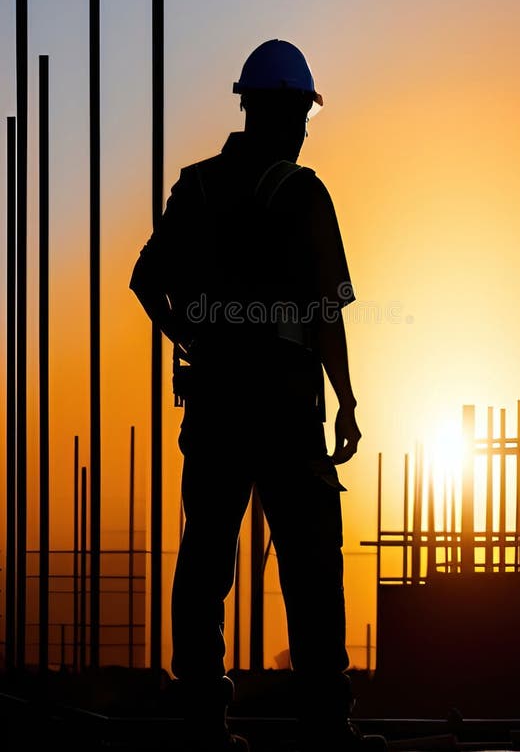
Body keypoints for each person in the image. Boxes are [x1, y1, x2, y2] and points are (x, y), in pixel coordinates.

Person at [129, 39, 387, 752]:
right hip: (282, 411)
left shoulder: (198, 187)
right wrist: (348, 401)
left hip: (213, 408)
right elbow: (328, 313)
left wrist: (191, 336)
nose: (306, 129)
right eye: (303, 113)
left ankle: (201, 726)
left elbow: (146, 280)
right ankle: (325, 727)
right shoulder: (303, 195)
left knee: (206, 559)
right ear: (283, 112)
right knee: (311, 564)